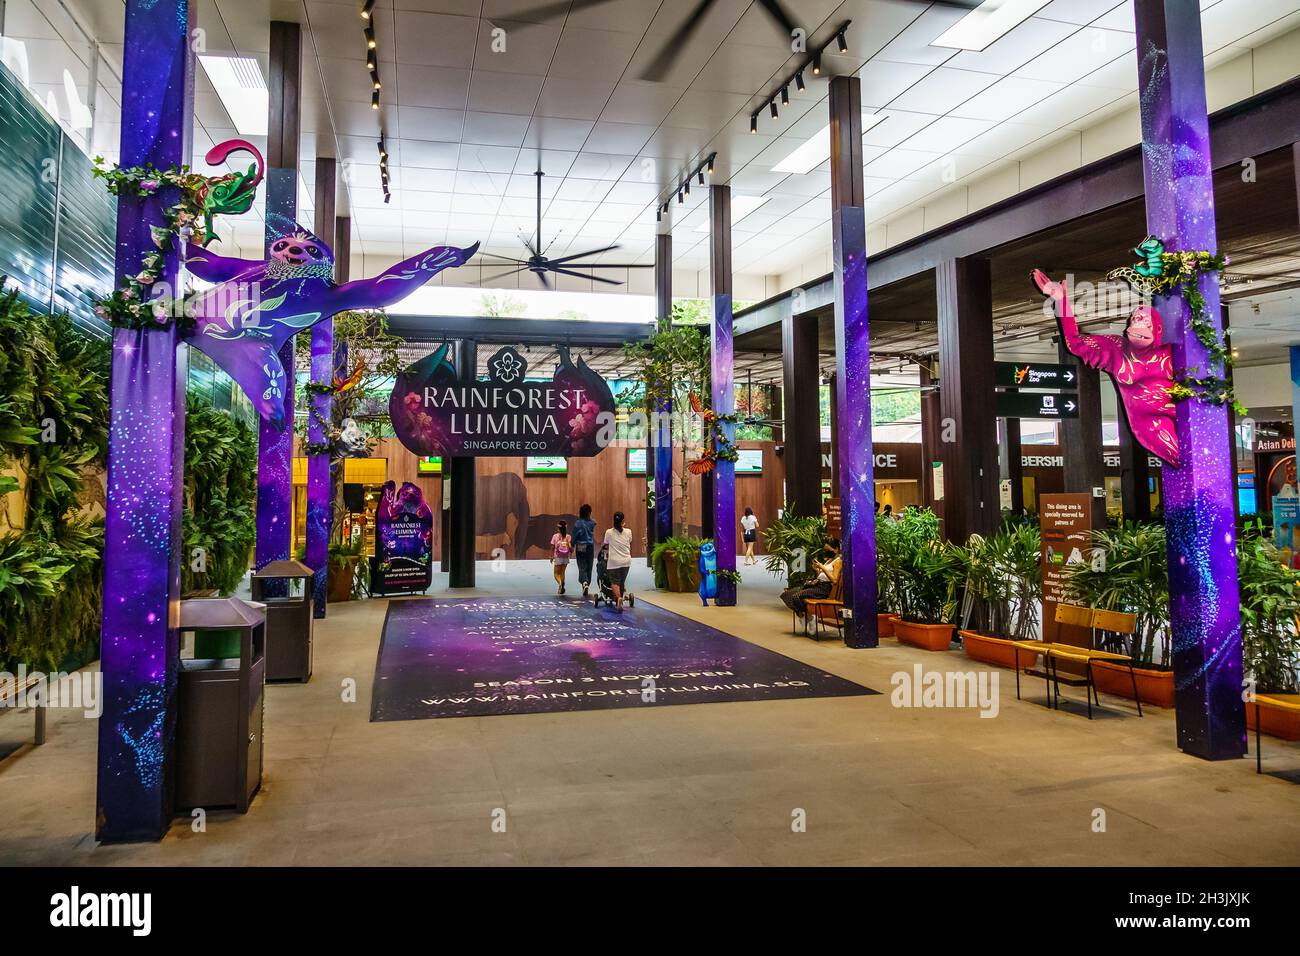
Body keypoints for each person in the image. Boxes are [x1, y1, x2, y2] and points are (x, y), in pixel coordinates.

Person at [780, 538, 842, 623]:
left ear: (836, 549)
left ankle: (808, 618)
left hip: (824, 588)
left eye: (828, 549)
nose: (826, 552)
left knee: (796, 596)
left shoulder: (838, 562)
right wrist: (817, 570)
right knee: (787, 594)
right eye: (825, 550)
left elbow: (834, 580)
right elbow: (821, 576)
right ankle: (804, 616)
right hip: (817, 584)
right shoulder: (829, 560)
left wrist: (822, 567)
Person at [602, 511, 633, 612]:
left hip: (614, 562)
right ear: (623, 521)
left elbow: (605, 543)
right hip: (626, 562)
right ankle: (621, 598)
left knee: (614, 582)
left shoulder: (609, 532)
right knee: (622, 581)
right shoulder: (628, 532)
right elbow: (629, 541)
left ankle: (619, 598)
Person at [572, 504, 597, 598]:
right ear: (589, 513)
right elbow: (594, 522)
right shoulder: (592, 523)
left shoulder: (577, 523)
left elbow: (574, 535)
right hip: (590, 546)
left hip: (580, 546)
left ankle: (584, 581)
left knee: (581, 565)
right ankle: (587, 582)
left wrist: (572, 544)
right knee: (589, 565)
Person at [550, 520, 572, 595]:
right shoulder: (568, 537)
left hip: (558, 557)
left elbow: (552, 547)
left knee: (556, 573)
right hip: (566, 557)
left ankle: (560, 584)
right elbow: (571, 548)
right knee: (562, 572)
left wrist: (551, 556)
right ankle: (562, 584)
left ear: (558, 528)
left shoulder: (555, 536)